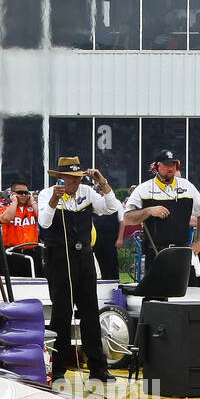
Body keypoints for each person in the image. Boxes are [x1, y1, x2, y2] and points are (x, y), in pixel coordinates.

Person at [37, 156, 120, 383]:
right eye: (72, 179)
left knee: (90, 312)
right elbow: (43, 224)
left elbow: (112, 207)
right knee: (61, 313)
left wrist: (102, 182)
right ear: (61, 178)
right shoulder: (47, 194)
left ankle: (97, 366)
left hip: (83, 256)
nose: (75, 183)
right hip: (58, 257)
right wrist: (55, 200)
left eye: (78, 178)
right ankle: (58, 368)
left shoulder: (87, 192)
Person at [122, 149, 200, 280]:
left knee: (185, 296)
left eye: (173, 165)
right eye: (167, 165)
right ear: (157, 166)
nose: (171, 168)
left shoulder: (187, 186)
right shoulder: (144, 188)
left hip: (181, 251)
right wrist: (148, 211)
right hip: (155, 252)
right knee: (156, 295)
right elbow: (127, 218)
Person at [0, 180, 43, 277]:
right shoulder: (4, 209)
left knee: (36, 284)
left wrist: (33, 202)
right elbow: (6, 218)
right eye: (20, 192)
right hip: (13, 253)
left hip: (32, 252)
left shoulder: (32, 209)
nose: (23, 195)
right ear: (12, 194)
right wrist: (14, 201)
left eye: (26, 193)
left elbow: (42, 219)